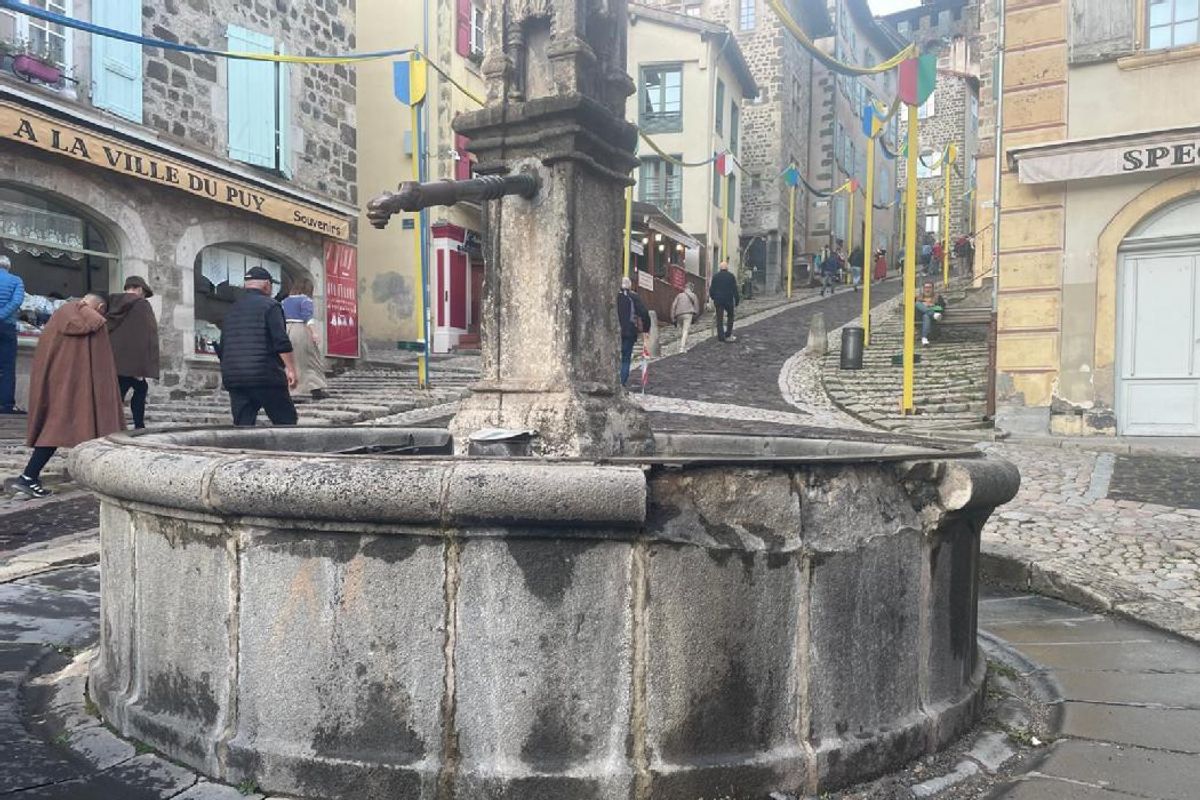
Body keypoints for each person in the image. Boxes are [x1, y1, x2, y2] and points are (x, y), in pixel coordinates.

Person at [7, 293, 124, 498]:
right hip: (82, 385)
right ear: (100, 307)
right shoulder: (96, 321)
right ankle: (28, 477)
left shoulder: (59, 315)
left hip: (56, 383)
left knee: (53, 430)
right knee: (94, 425)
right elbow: (99, 363)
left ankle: (29, 477)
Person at [217, 266, 299, 426]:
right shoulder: (271, 306)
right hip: (265, 376)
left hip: (236, 377)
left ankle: (244, 450)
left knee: (243, 427)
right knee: (286, 423)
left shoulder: (231, 309)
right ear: (267, 285)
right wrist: (291, 369)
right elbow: (280, 341)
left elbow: (224, 344)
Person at [106, 276, 160, 429]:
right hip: (133, 363)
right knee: (140, 389)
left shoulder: (112, 302)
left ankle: (111, 425)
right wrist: (142, 365)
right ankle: (138, 424)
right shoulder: (142, 305)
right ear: (140, 289)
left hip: (115, 359)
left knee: (119, 393)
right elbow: (146, 335)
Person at [281, 278, 329, 401]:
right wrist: (314, 333)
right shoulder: (305, 300)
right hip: (301, 330)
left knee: (291, 361)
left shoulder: (284, 301)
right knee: (310, 360)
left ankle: (291, 389)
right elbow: (308, 318)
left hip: (286, 330)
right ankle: (316, 388)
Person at [0, 255, 25, 415]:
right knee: (7, 366)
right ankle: (6, 404)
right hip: (7, 326)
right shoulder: (16, 281)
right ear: (8, 267)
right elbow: (17, 301)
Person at [617, 276, 650, 386]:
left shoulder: (614, 296)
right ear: (630, 286)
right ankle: (621, 382)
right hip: (629, 331)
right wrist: (646, 329)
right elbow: (644, 313)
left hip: (615, 332)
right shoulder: (633, 297)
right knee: (626, 358)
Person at [709, 260, 739, 343]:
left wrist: (713, 297)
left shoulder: (715, 277)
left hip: (718, 300)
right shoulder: (731, 276)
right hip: (728, 300)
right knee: (730, 316)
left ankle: (721, 337)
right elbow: (735, 289)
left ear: (720, 268)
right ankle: (728, 333)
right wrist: (737, 300)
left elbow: (711, 290)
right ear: (727, 268)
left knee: (719, 319)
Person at [670, 282, 700, 354]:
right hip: (688, 314)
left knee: (681, 330)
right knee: (685, 330)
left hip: (678, 314)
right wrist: (695, 317)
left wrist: (672, 317)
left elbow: (673, 306)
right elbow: (696, 307)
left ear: (685, 288)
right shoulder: (693, 295)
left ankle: (684, 345)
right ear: (691, 288)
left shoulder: (679, 295)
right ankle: (682, 348)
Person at [916, 281, 947, 346]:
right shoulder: (919, 298)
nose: (927, 289)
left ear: (932, 289)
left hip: (936, 316)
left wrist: (931, 305)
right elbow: (915, 309)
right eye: (926, 287)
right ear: (923, 289)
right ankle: (933, 315)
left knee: (926, 316)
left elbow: (941, 307)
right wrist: (924, 305)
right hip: (922, 316)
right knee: (919, 305)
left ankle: (924, 338)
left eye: (929, 287)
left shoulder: (938, 297)